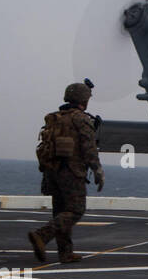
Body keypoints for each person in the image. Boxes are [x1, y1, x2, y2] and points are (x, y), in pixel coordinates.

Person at [28, 80, 104, 264]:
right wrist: (97, 170)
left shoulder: (55, 118)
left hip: (52, 172)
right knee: (76, 210)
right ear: (83, 100)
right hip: (71, 171)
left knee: (61, 211)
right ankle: (42, 235)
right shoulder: (81, 119)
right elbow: (89, 148)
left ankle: (66, 252)